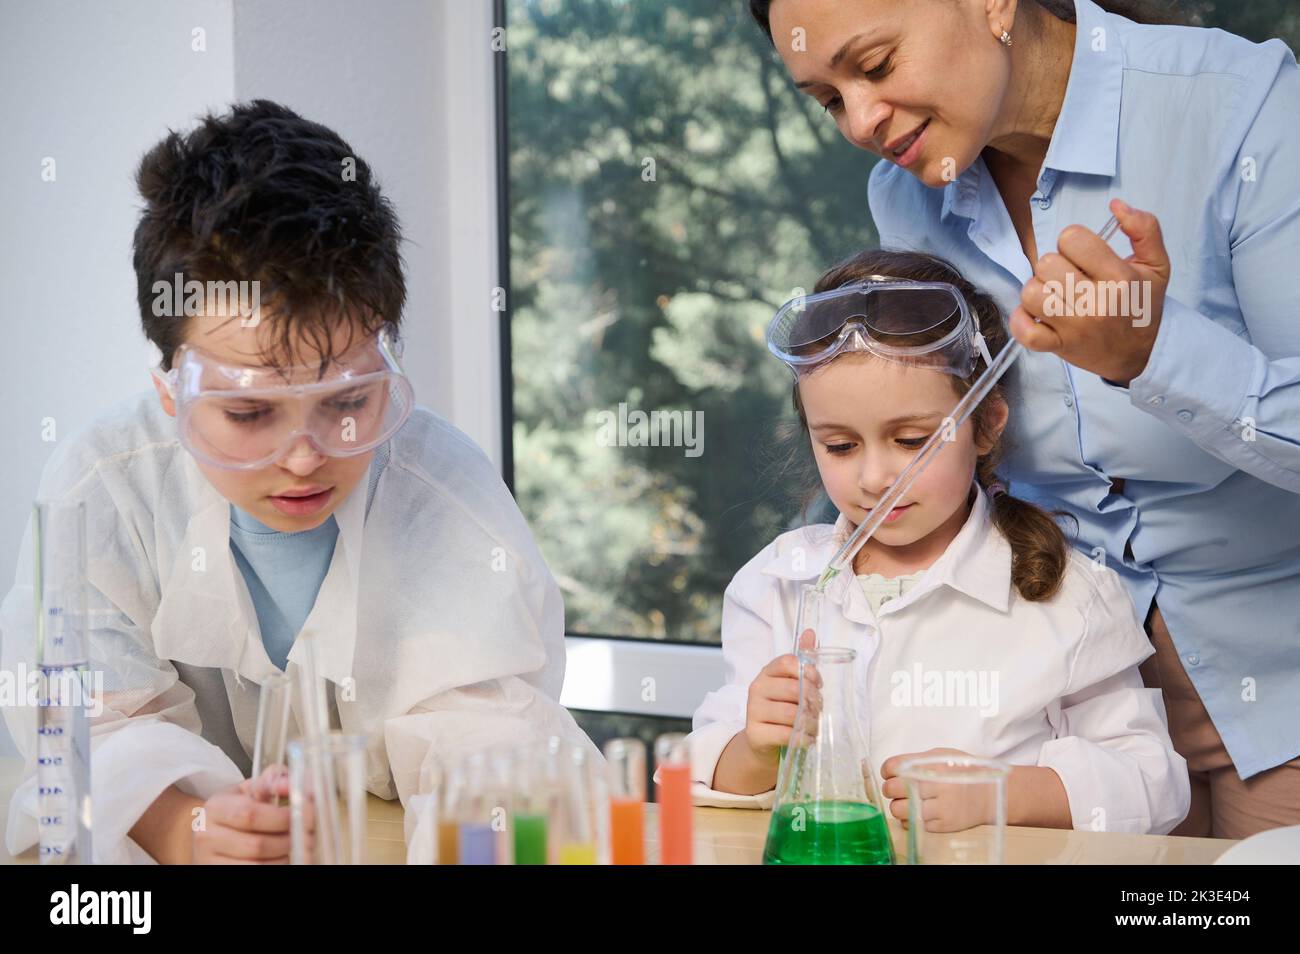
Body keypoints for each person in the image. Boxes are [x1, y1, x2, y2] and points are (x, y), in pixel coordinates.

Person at [747, 0, 1300, 837]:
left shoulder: (1244, 108)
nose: (860, 121)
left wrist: (1153, 352)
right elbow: (935, 438)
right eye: (827, 98)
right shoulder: (905, 196)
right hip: (1062, 726)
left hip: (1278, 696)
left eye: (877, 64)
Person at [0, 100, 596, 864]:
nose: (306, 455)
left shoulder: (441, 493)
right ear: (168, 394)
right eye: (249, 412)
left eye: (348, 402)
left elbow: (499, 743)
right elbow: (87, 729)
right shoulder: (104, 486)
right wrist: (187, 829)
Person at [690, 249, 1189, 835]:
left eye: (911, 440)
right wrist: (754, 749)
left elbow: (1153, 782)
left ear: (987, 424)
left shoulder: (1066, 594)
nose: (877, 477)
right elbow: (706, 772)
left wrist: (1003, 795)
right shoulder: (775, 585)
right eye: (841, 446)